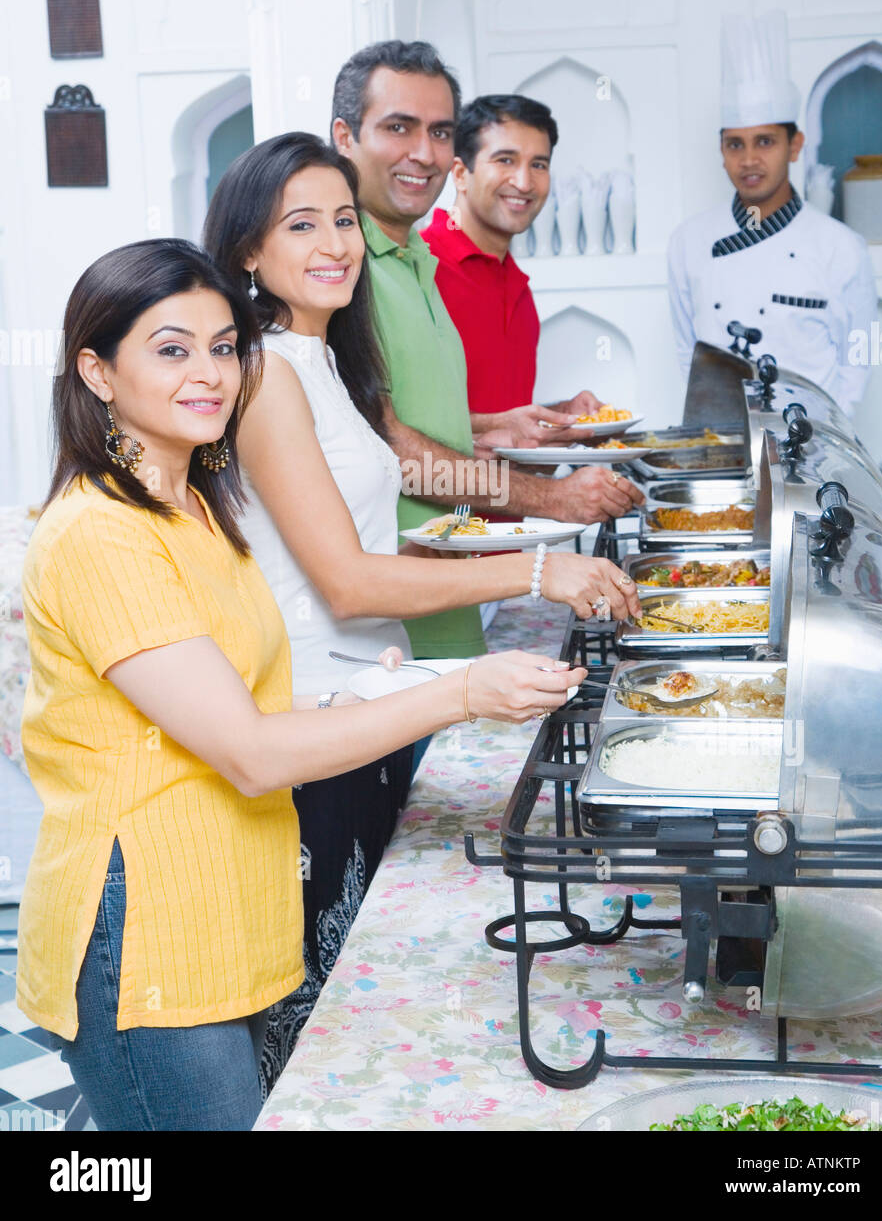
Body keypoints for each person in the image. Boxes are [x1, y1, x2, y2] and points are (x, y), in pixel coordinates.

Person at [16, 238, 587, 1131]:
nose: (209, 373)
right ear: (97, 370)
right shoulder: (102, 535)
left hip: (226, 899)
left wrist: (356, 698)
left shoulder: (196, 505)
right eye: (171, 350)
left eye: (223, 346)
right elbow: (246, 753)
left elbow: (231, 704)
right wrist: (461, 692)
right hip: (149, 932)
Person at [202, 134, 642, 1083]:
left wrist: (522, 543)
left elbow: (370, 536)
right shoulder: (270, 371)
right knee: (322, 1023)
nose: (336, 244)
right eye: (302, 225)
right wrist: (531, 570)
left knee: (366, 994)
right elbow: (348, 581)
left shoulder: (322, 362)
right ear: (247, 251)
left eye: (344, 220)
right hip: (314, 727)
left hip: (372, 703)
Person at [331, 40, 644, 658]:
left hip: (458, 577)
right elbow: (393, 446)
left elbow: (407, 419)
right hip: (390, 611)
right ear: (345, 138)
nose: (423, 152)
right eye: (399, 127)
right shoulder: (344, 264)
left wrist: (512, 426)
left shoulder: (413, 257)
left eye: (439, 131)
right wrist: (555, 497)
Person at [667, 10, 876, 418]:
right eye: (735, 144)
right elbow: (684, 352)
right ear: (721, 149)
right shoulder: (687, 242)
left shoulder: (841, 247)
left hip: (813, 451)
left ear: (794, 145)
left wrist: (823, 443)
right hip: (722, 444)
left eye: (765, 142)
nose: (749, 160)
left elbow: (856, 364)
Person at [424, 93, 610, 442]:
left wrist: (560, 414)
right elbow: (396, 425)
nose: (524, 183)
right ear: (461, 174)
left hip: (506, 495)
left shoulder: (516, 284)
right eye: (505, 160)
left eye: (538, 165)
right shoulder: (421, 267)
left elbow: (501, 418)